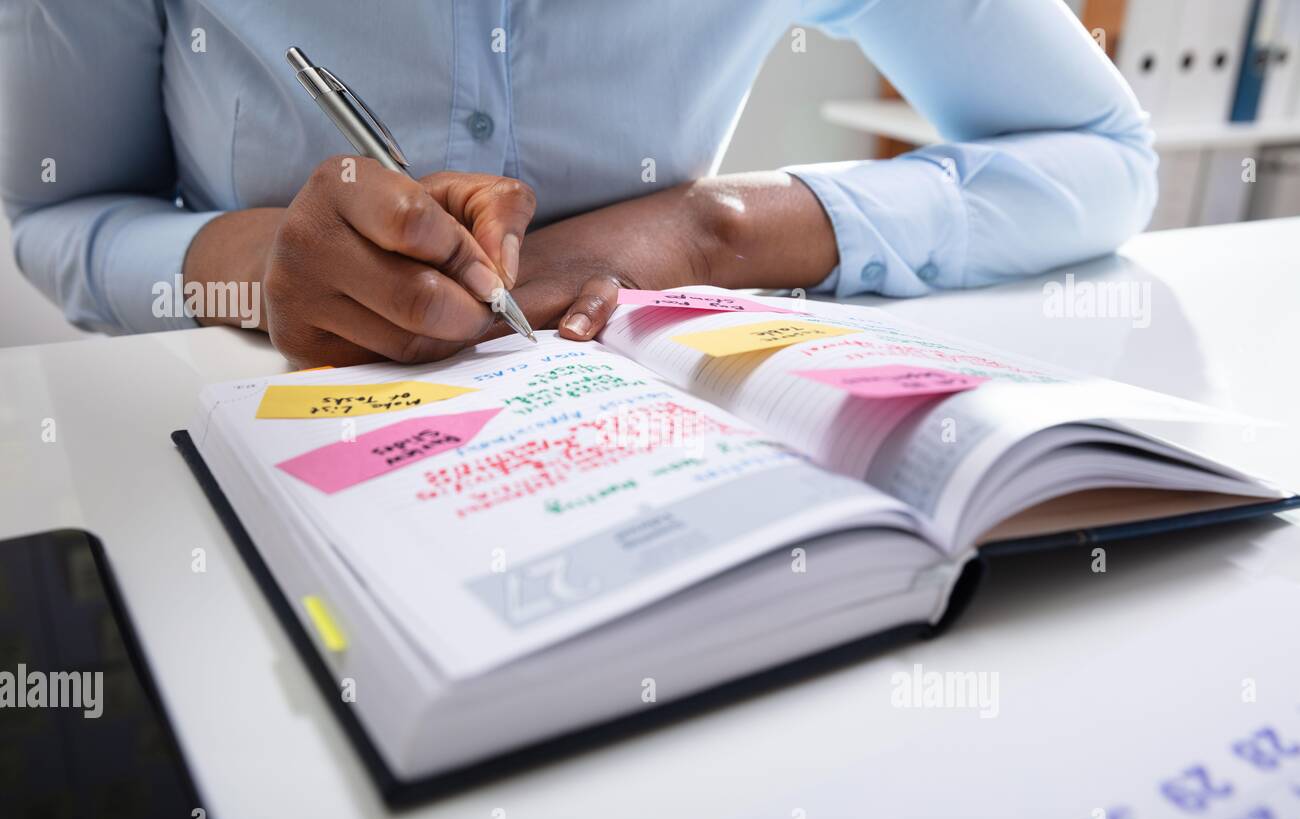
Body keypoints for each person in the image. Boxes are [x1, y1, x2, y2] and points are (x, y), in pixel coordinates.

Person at [0, 0, 1155, 368]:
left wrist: (711, 230)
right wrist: (253, 268)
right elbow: (58, 211)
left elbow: (1099, 148)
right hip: (234, 445)